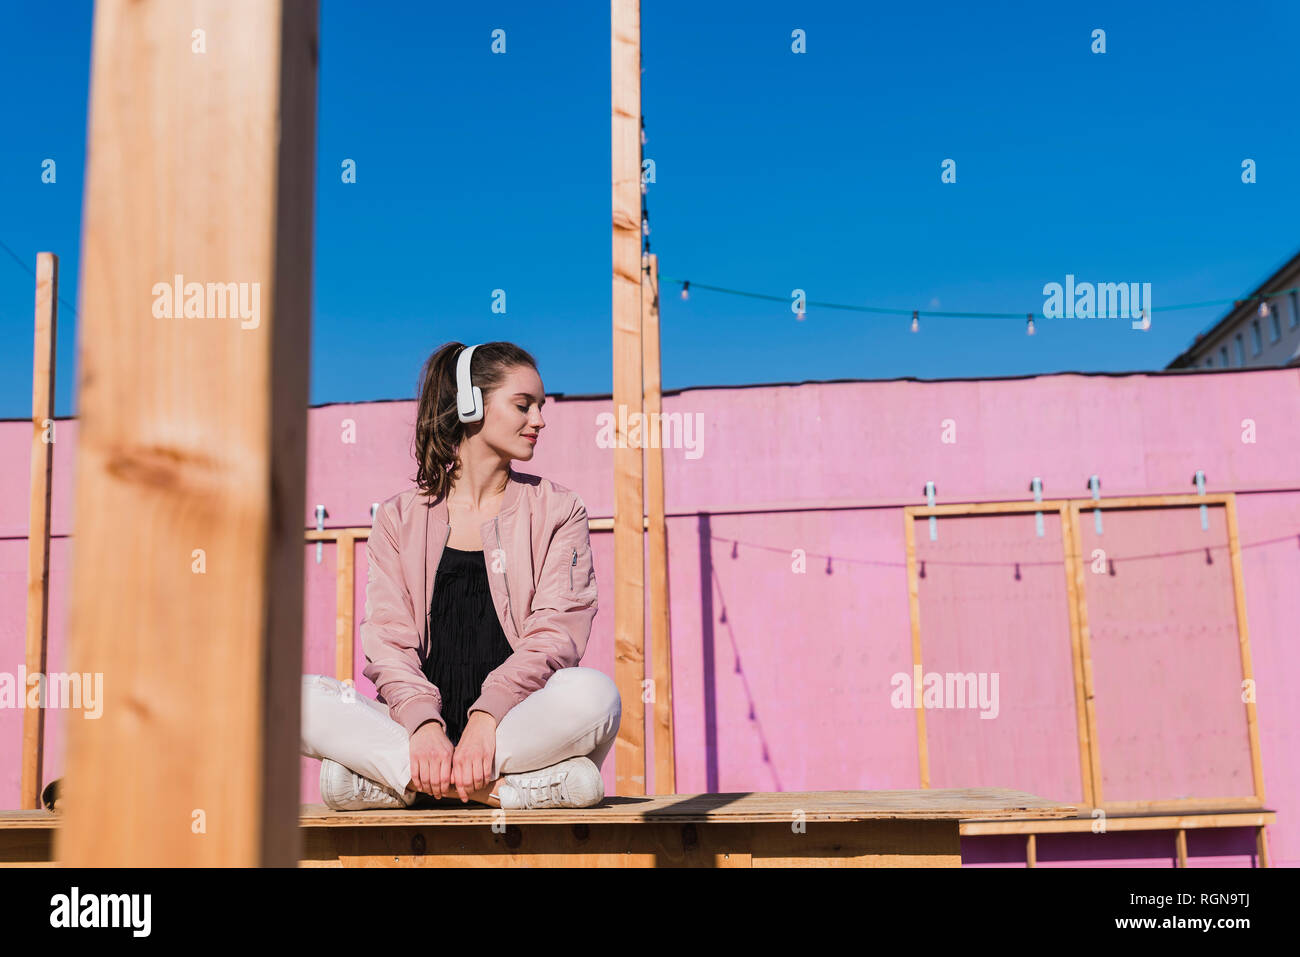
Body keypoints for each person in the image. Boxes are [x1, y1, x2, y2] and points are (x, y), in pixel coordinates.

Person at [301, 341, 621, 810]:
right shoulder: (397, 518)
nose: (539, 420)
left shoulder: (557, 509)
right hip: (413, 733)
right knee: (296, 700)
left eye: (541, 407)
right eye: (523, 405)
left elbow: (556, 636)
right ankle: (504, 792)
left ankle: (403, 786)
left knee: (596, 695)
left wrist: (486, 719)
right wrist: (426, 727)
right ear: (471, 404)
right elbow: (388, 643)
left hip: (510, 728)